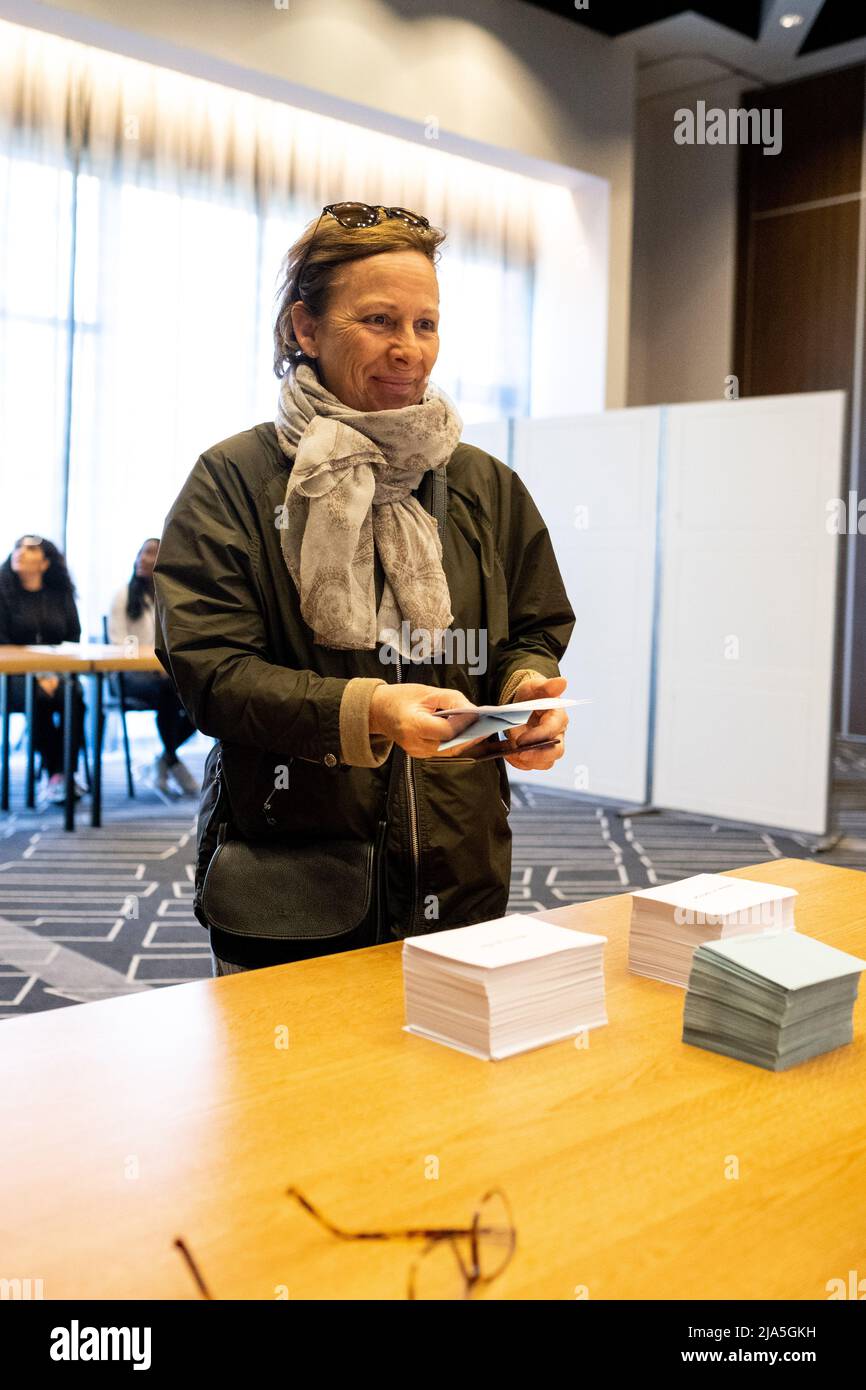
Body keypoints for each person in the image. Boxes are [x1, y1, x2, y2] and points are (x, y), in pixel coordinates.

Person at [153, 201, 575, 977]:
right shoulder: (236, 481)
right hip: (296, 890)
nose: (408, 350)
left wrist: (524, 691)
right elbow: (212, 675)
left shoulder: (481, 483)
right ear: (304, 330)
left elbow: (533, 625)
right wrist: (368, 711)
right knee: (295, 1098)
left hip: (459, 874)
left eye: (425, 324)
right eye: (379, 320)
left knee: (446, 1095)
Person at [0, 535, 87, 803]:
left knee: (74, 698)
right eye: (18, 551)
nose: (20, 555)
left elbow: (73, 635)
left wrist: (51, 673)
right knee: (36, 699)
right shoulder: (3, 592)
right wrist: (36, 674)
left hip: (58, 672)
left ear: (44, 563)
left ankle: (62, 774)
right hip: (13, 676)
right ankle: (59, 774)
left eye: (28, 552)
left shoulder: (60, 594)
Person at [108, 538, 198, 795]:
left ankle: (165, 757)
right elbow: (119, 642)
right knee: (168, 691)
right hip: (128, 675)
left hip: (164, 675)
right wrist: (150, 665)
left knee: (199, 697)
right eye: (141, 553)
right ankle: (172, 759)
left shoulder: (173, 597)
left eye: (151, 554)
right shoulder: (123, 596)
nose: (143, 559)